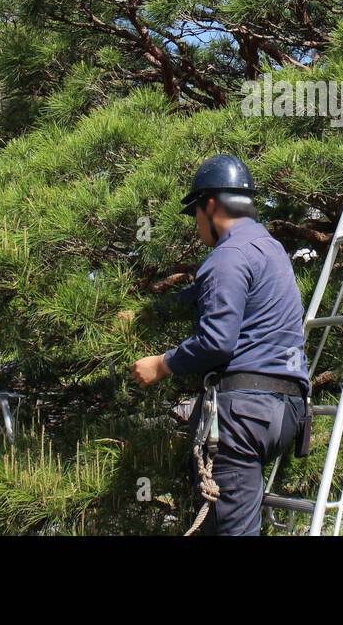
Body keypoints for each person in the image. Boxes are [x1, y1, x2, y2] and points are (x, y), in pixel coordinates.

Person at [130, 154, 309, 536]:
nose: (197, 226)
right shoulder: (270, 249)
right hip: (286, 411)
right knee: (227, 520)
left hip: (243, 412)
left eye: (196, 213)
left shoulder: (226, 256)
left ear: (210, 205)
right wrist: (147, 313)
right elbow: (197, 295)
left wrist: (162, 364)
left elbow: (216, 342)